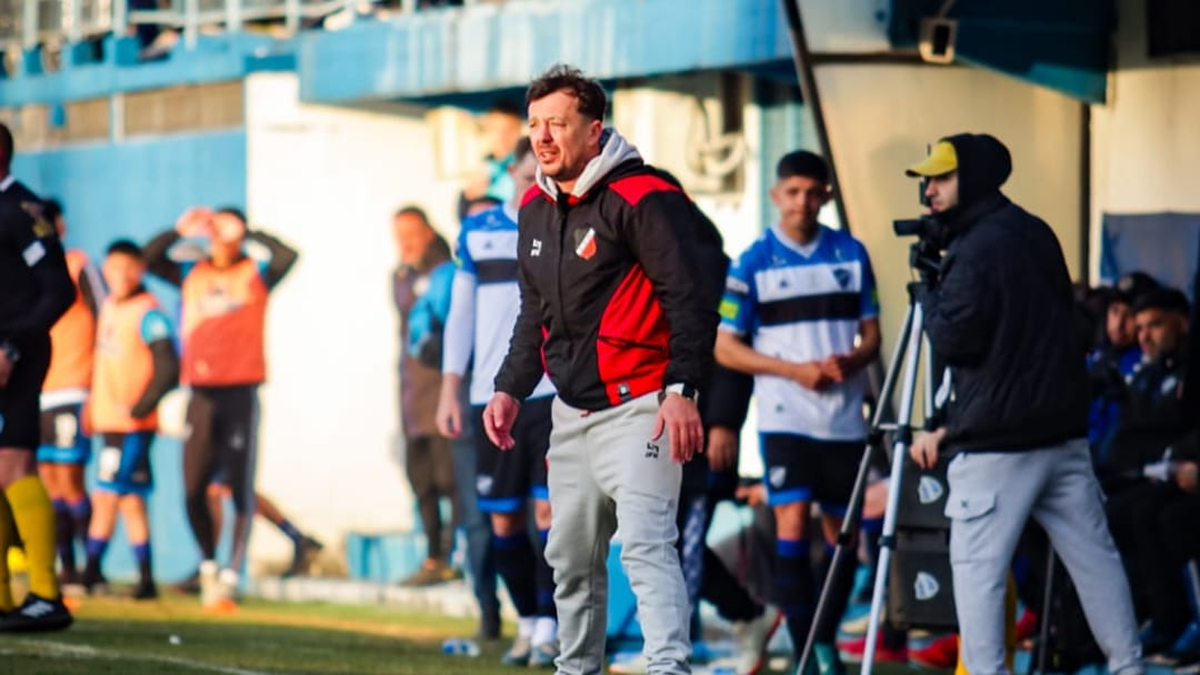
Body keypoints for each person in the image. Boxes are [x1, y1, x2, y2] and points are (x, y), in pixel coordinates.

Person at [485, 64, 726, 675]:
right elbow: (533, 311)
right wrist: (510, 388)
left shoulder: (645, 197)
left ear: (595, 131)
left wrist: (682, 390)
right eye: (535, 124)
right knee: (568, 558)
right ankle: (577, 669)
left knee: (646, 546)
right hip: (571, 412)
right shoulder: (535, 205)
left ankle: (668, 668)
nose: (542, 136)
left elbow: (690, 298)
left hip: (644, 404)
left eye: (557, 124)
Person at [905, 133, 1144, 675]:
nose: (930, 190)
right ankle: (1129, 666)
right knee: (1097, 561)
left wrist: (928, 291)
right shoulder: (1036, 231)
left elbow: (953, 341)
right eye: (928, 179)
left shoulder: (974, 248)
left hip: (995, 444)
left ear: (976, 177)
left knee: (978, 577)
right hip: (1060, 433)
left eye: (942, 178)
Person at [714, 150, 881, 675]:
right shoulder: (753, 261)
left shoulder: (852, 254)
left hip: (844, 420)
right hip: (785, 418)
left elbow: (872, 336)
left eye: (813, 192)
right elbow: (725, 347)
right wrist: (792, 371)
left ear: (826, 195)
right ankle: (807, 653)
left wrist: (853, 358)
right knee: (789, 521)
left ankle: (821, 640)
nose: (802, 202)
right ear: (775, 195)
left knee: (842, 535)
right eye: (793, 192)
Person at [437, 136, 560, 666]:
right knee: (503, 521)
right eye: (528, 171)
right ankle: (528, 622)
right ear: (511, 171)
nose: (535, 180)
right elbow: (460, 316)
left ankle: (553, 626)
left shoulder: (563, 224)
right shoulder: (478, 232)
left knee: (549, 514)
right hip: (489, 396)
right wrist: (450, 386)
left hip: (552, 395)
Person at [145, 206, 298, 609]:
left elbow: (287, 255)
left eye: (228, 233)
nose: (221, 240)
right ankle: (209, 562)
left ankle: (230, 575)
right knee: (193, 487)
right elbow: (149, 259)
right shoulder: (192, 274)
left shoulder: (255, 274)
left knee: (238, 485)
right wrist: (181, 229)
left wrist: (250, 231)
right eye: (216, 233)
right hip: (201, 393)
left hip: (240, 392)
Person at [0, 121, 76, 631]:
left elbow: (58, 290)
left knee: (15, 467)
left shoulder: (22, 211)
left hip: (17, 356)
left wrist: (11, 344)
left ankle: (47, 594)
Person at [80, 240, 179, 600]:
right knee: (129, 500)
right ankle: (146, 579)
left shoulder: (149, 312)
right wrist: (93, 405)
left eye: (128, 268)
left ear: (140, 269)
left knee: (106, 494)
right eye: (114, 268)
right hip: (107, 421)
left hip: (131, 427)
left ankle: (90, 571)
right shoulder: (108, 306)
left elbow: (169, 366)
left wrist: (141, 406)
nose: (120, 275)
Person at [35, 198, 104, 594]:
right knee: (47, 481)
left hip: (73, 386)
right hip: (38, 388)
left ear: (60, 225)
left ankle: (90, 567)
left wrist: (98, 386)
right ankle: (67, 567)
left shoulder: (77, 263)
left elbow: (104, 316)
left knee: (71, 477)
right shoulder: (26, 270)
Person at [392, 205, 461, 587]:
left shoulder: (445, 272)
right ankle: (434, 558)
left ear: (428, 231)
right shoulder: (400, 275)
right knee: (421, 481)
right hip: (410, 395)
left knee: (449, 479)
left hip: (440, 392)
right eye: (398, 235)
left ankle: (456, 554)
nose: (405, 242)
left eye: (411, 233)